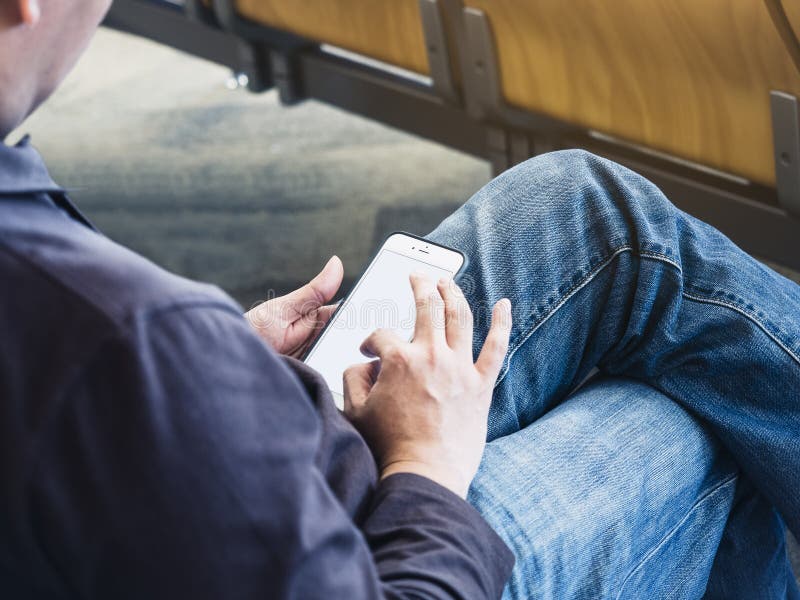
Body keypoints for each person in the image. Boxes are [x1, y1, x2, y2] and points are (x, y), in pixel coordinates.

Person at [0, 1, 798, 598]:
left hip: (230, 477)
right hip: (383, 547)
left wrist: (221, 370)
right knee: (695, 399)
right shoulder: (121, 334)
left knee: (588, 208)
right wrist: (423, 464)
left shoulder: (98, 319)